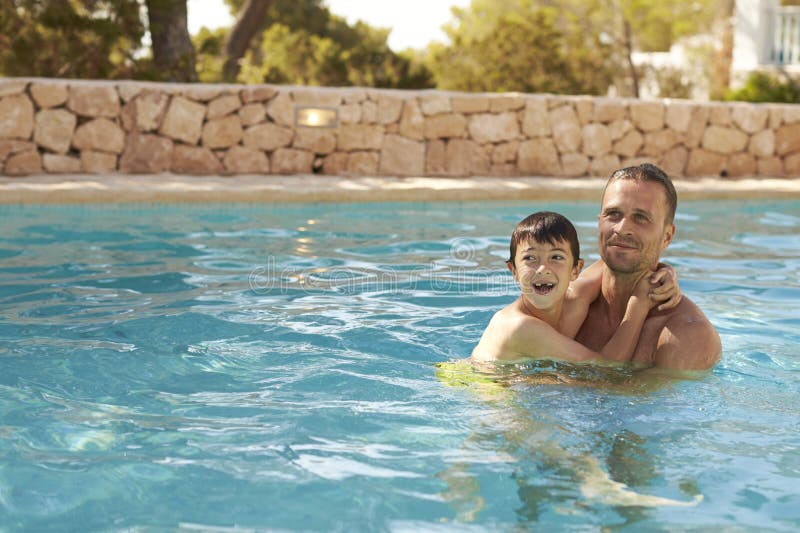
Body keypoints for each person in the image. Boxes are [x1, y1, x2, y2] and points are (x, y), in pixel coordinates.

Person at [471, 211, 680, 364]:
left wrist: (665, 271)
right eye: (530, 258)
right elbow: (606, 368)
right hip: (483, 389)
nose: (543, 268)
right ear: (513, 270)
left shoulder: (577, 298)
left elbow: (625, 263)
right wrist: (639, 305)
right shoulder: (519, 327)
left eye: (556, 257)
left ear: (576, 269)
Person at [575, 163, 721, 371]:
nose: (622, 229)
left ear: (667, 236)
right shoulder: (567, 299)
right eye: (613, 214)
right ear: (599, 221)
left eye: (641, 218)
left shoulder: (688, 335)